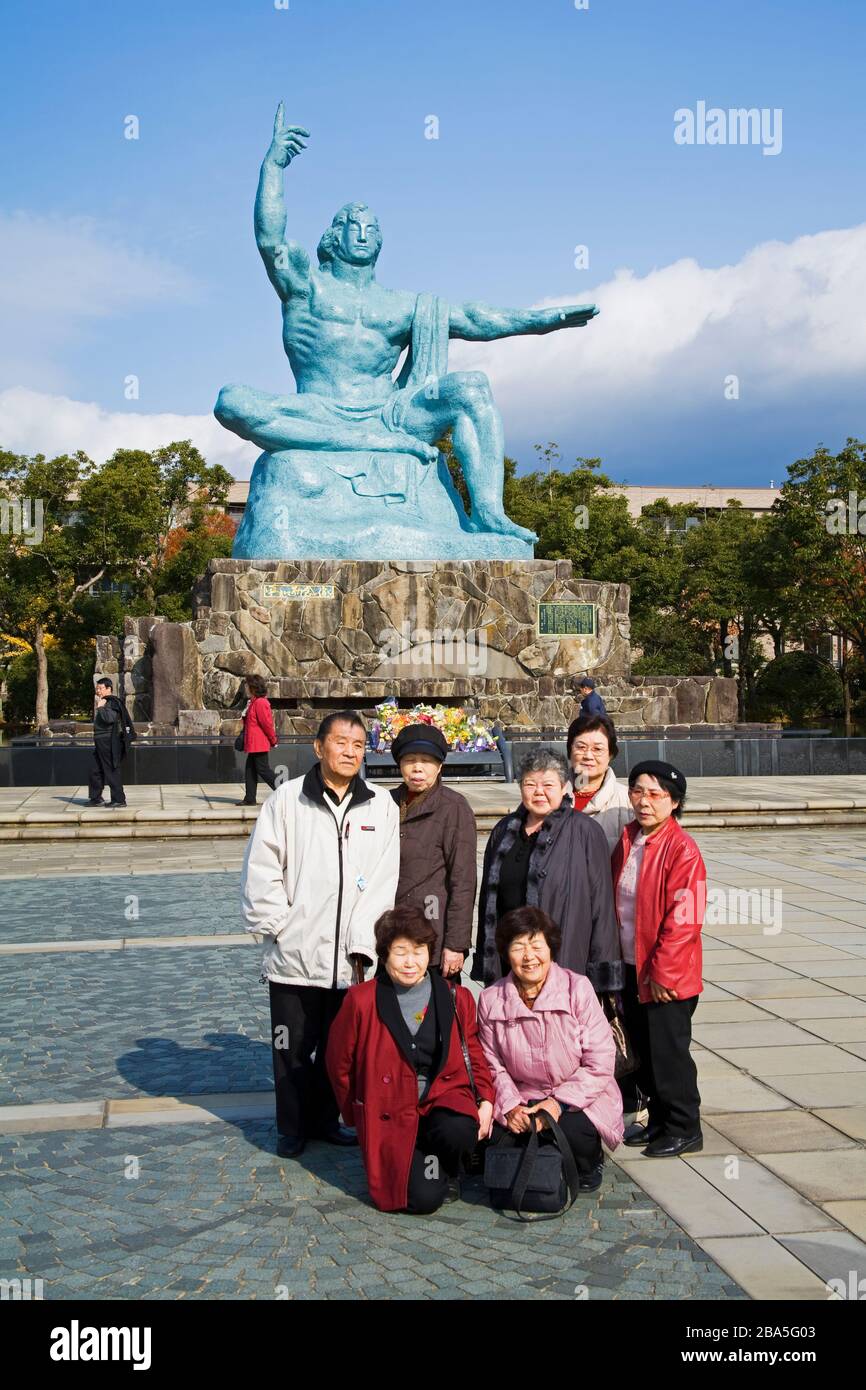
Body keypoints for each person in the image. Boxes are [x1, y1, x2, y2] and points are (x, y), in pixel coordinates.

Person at [241, 710, 400, 1158]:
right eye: (340, 742)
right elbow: (263, 868)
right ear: (318, 747)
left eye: (358, 745)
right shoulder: (287, 801)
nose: (349, 752)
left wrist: (364, 943)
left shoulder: (380, 806)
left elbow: (384, 879)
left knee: (339, 1049)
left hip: (351, 956)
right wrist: (279, 926)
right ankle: (292, 1127)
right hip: (296, 952)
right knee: (290, 1047)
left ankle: (327, 1119)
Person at [326, 905, 495, 1214]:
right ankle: (419, 1158)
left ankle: (449, 1165)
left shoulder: (456, 997)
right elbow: (339, 1062)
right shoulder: (361, 1000)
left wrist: (485, 1098)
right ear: (384, 954)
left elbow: (475, 1051)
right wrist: (357, 1112)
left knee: (460, 1128)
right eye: (400, 952)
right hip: (390, 1106)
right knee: (421, 1200)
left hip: (444, 1097)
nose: (410, 962)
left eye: (418, 951)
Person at [477, 907, 624, 1194]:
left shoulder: (577, 989)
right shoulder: (490, 999)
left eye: (536, 946)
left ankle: (589, 1161)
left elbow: (600, 1062)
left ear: (551, 949)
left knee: (572, 1133)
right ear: (507, 954)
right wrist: (509, 1106)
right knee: (498, 1139)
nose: (529, 956)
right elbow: (491, 1064)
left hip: (576, 1098)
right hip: (523, 1096)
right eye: (518, 947)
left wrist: (556, 1104)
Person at [471, 748, 622, 995]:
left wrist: (603, 975)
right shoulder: (504, 830)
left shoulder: (585, 831)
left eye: (548, 784)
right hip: (510, 959)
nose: (539, 792)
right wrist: (487, 958)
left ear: (564, 788)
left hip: (564, 959)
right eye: (530, 784)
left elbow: (602, 907)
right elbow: (488, 903)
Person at [612, 760, 706, 1157]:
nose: (644, 801)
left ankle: (685, 1127)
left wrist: (663, 973)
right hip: (632, 966)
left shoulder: (682, 849)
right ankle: (661, 1122)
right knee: (646, 1054)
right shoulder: (629, 837)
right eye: (637, 791)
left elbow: (684, 921)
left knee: (670, 1055)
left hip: (667, 974)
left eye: (655, 794)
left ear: (674, 801)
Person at [389, 723, 477, 978]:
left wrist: (456, 944)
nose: (418, 768)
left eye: (426, 761)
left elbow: (464, 880)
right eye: (410, 760)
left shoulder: (454, 808)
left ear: (439, 767)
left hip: (433, 935)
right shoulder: (387, 803)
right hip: (393, 934)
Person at [566, 714, 633, 852]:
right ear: (570, 751)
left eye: (597, 749)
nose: (588, 756)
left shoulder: (628, 801)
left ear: (611, 754)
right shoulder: (548, 795)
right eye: (581, 747)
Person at [87, 677, 136, 809]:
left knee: (111, 770)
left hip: (108, 741)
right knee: (95, 769)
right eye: (97, 688)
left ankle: (119, 799)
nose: (98, 691)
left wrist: (101, 708)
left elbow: (109, 719)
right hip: (100, 741)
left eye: (100, 688)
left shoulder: (112, 702)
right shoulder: (105, 702)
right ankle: (96, 798)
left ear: (109, 688)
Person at [238, 674, 278, 806]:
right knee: (250, 769)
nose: (246, 687)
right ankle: (250, 798)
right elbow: (251, 723)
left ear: (254, 687)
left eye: (248, 685)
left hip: (258, 744)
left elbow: (267, 724)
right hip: (254, 744)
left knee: (263, 770)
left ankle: (285, 792)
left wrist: (273, 740)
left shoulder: (261, 703)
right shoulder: (254, 702)